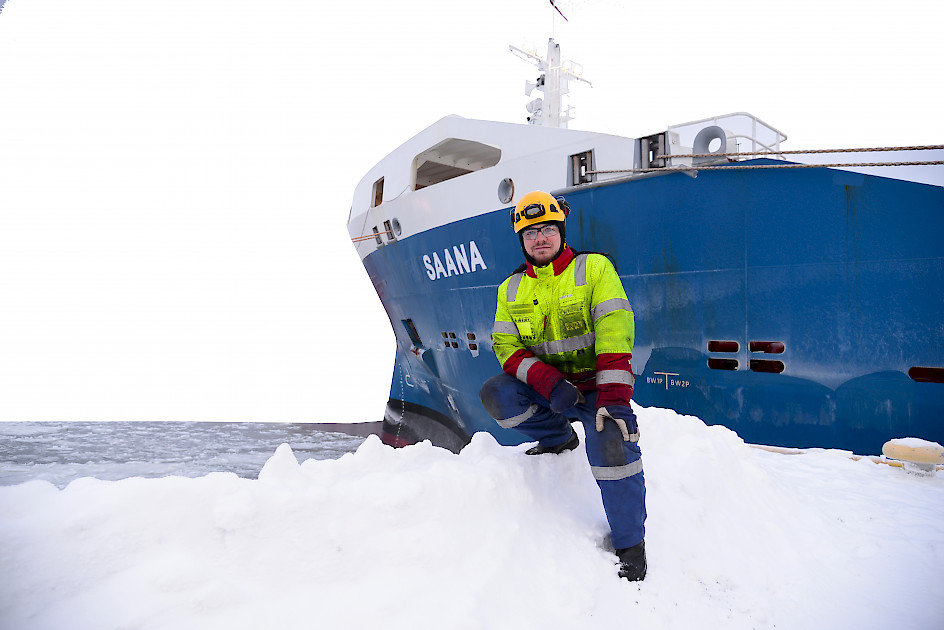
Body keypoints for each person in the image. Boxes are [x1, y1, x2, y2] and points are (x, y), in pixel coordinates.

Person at [478, 190, 647, 581]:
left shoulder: (595, 269)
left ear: (561, 231)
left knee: (611, 443)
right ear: (522, 241)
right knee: (496, 393)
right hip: (552, 390)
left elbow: (614, 330)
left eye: (548, 229)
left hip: (595, 390)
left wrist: (615, 399)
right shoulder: (511, 289)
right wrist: (548, 382)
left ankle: (630, 542)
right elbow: (505, 345)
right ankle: (558, 439)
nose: (540, 238)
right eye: (531, 232)